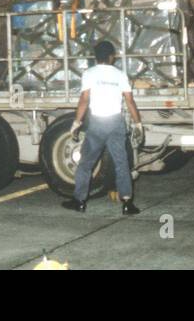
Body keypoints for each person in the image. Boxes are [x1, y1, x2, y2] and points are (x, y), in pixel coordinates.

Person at [61, 40, 143, 215]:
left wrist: (77, 122)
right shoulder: (120, 74)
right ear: (112, 57)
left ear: (95, 57)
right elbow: (130, 101)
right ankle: (127, 203)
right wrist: (138, 124)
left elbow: (84, 99)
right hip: (115, 122)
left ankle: (80, 201)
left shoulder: (89, 73)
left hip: (97, 123)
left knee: (85, 164)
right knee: (121, 163)